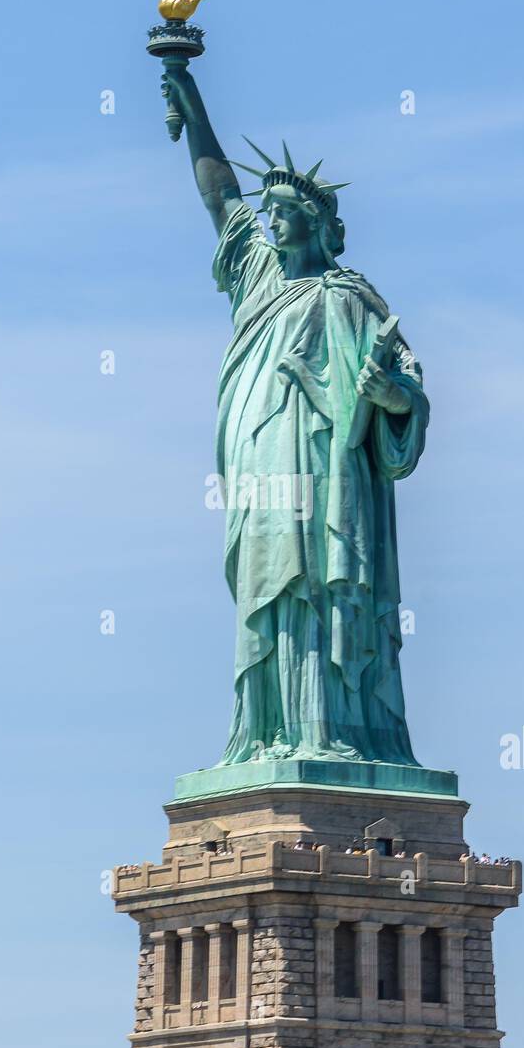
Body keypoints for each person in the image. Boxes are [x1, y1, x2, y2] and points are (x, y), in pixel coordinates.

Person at [162, 65, 430, 768]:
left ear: (314, 223)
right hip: (260, 460)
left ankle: (334, 731)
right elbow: (219, 192)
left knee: (322, 582)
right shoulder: (257, 273)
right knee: (268, 583)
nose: (269, 217)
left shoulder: (351, 297)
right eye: (269, 209)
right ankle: (268, 733)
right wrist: (189, 97)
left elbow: (407, 395)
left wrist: (388, 396)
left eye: (282, 210)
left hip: (330, 470)